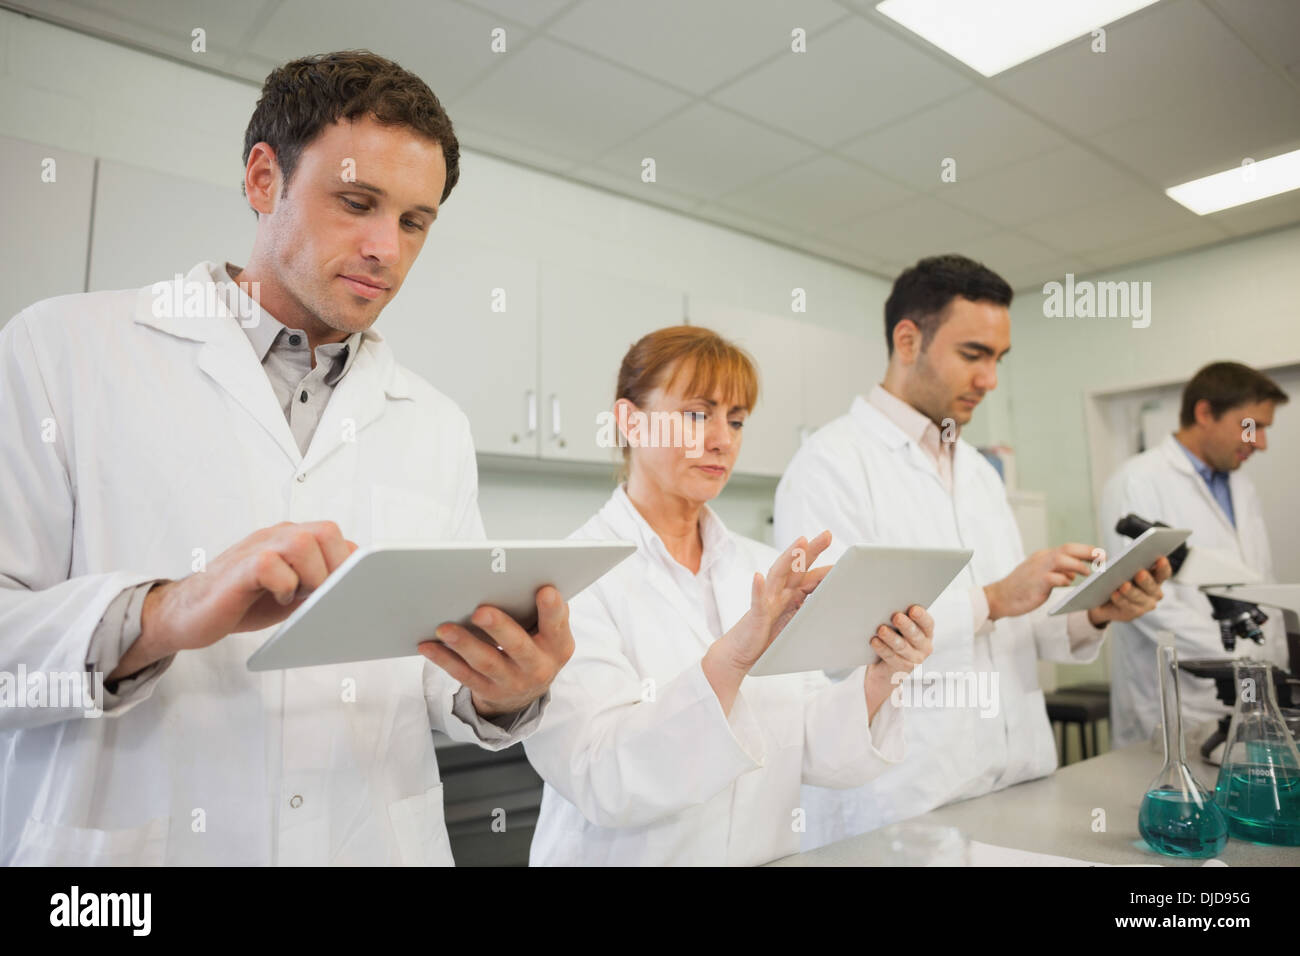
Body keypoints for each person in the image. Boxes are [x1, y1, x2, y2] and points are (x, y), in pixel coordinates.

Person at [0, 51, 572, 866]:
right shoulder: (61, 350)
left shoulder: (434, 425)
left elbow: (433, 679)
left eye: (414, 221)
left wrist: (503, 691)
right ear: (263, 179)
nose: (387, 248)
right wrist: (164, 613)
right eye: (357, 202)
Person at [773, 254, 1170, 849]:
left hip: (1019, 780)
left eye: (998, 359)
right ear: (908, 340)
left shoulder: (980, 472)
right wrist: (990, 598)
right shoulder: (829, 465)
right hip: (908, 805)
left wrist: (1095, 611)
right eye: (973, 354)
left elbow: (1012, 626)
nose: (990, 380)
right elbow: (835, 649)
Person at [523, 326, 935, 865]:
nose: (722, 439)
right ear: (628, 421)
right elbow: (601, 776)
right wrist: (734, 658)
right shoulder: (568, 580)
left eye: (736, 420)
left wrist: (879, 679)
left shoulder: (763, 566)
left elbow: (806, 746)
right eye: (698, 414)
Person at [1100, 362, 1289, 748]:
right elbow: (1145, 602)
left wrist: (1268, 663)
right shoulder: (1138, 480)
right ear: (1205, 414)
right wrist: (1244, 654)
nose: (1261, 442)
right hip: (1176, 700)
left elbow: (1259, 581)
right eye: (1252, 426)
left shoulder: (1241, 486)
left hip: (1250, 693)